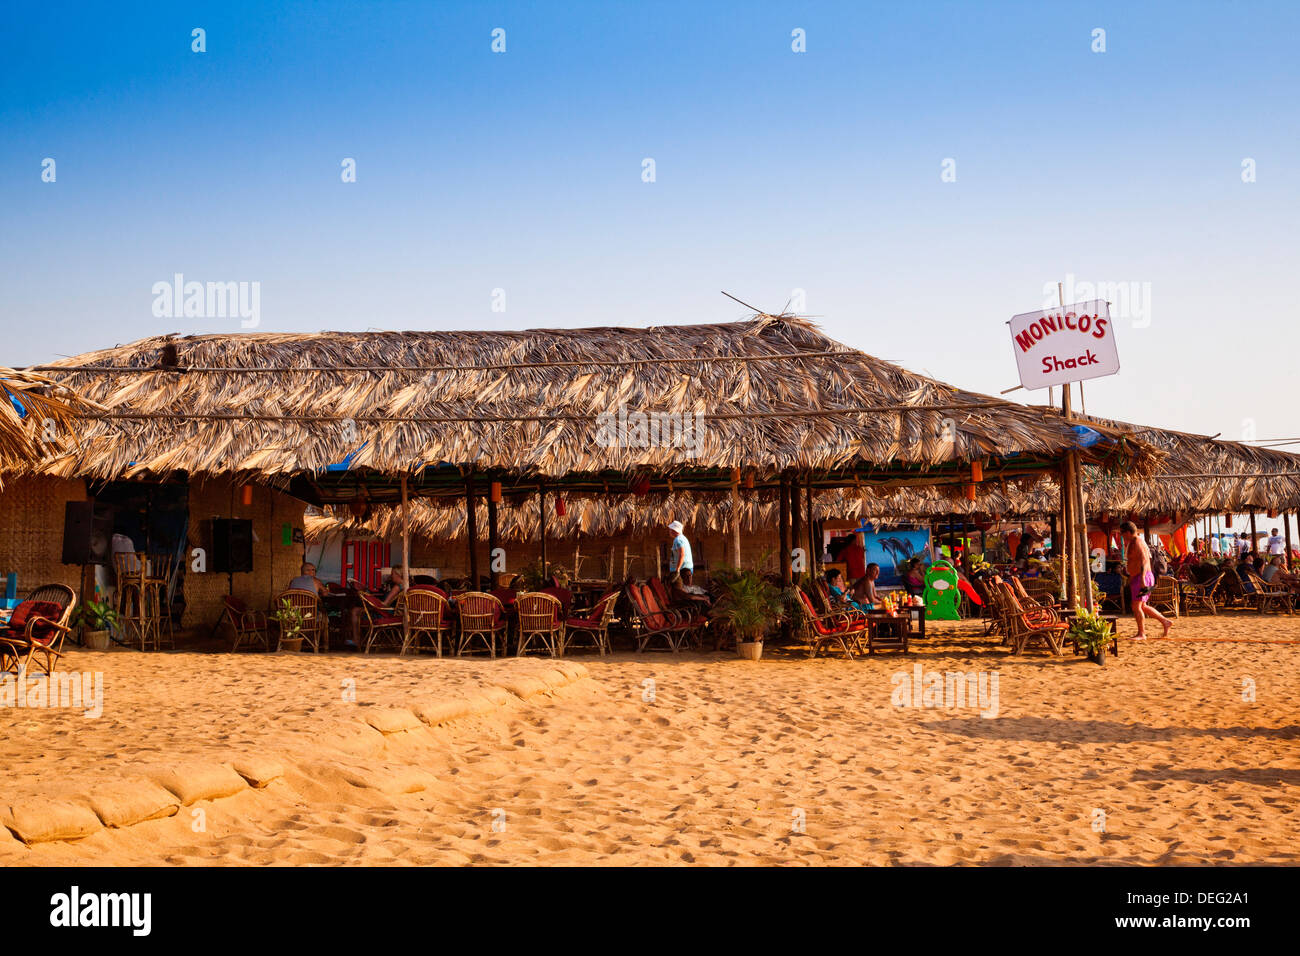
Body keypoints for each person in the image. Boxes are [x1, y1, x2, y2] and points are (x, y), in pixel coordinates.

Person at [1121, 521, 1173, 640]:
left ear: (1128, 532)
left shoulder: (1138, 542)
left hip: (1142, 577)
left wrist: (1143, 578)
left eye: (1122, 534)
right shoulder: (1134, 542)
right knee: (1142, 605)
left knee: (1136, 606)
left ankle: (1142, 633)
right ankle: (1165, 621)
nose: (1122, 537)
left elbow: (1145, 560)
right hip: (1138, 577)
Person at [666, 520, 694, 585]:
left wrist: (677, 570)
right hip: (685, 569)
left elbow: (682, 554)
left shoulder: (678, 540)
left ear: (674, 530)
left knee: (681, 593)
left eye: (670, 530)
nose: (669, 531)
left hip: (682, 570)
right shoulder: (683, 538)